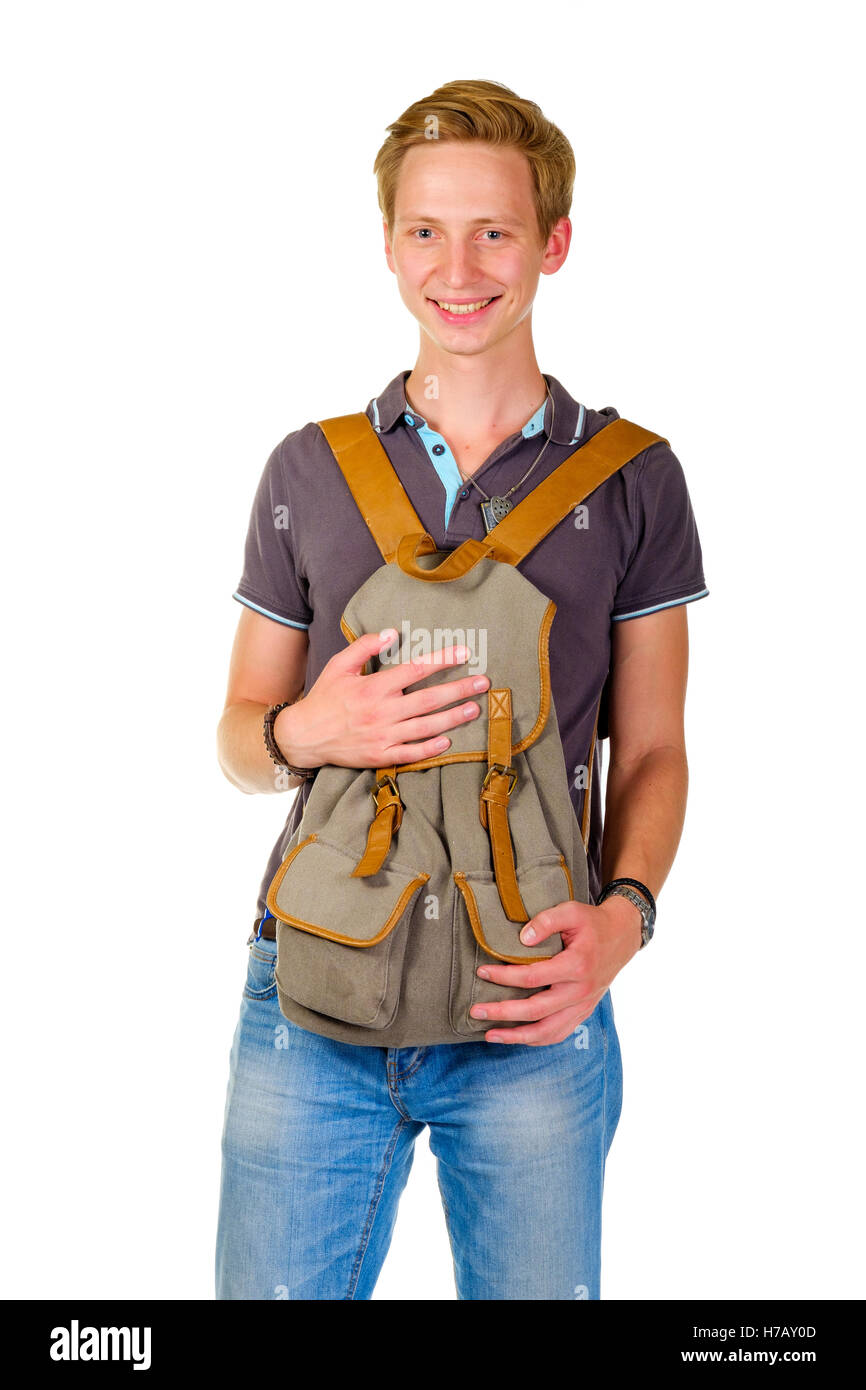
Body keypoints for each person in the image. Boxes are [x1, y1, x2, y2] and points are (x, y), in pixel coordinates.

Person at [214, 78, 708, 1301]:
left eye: (494, 230)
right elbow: (237, 733)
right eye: (426, 231)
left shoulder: (634, 479)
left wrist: (624, 924)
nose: (459, 266)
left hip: (533, 995)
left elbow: (651, 750)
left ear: (552, 242)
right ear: (387, 246)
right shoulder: (308, 468)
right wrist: (303, 729)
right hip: (312, 998)